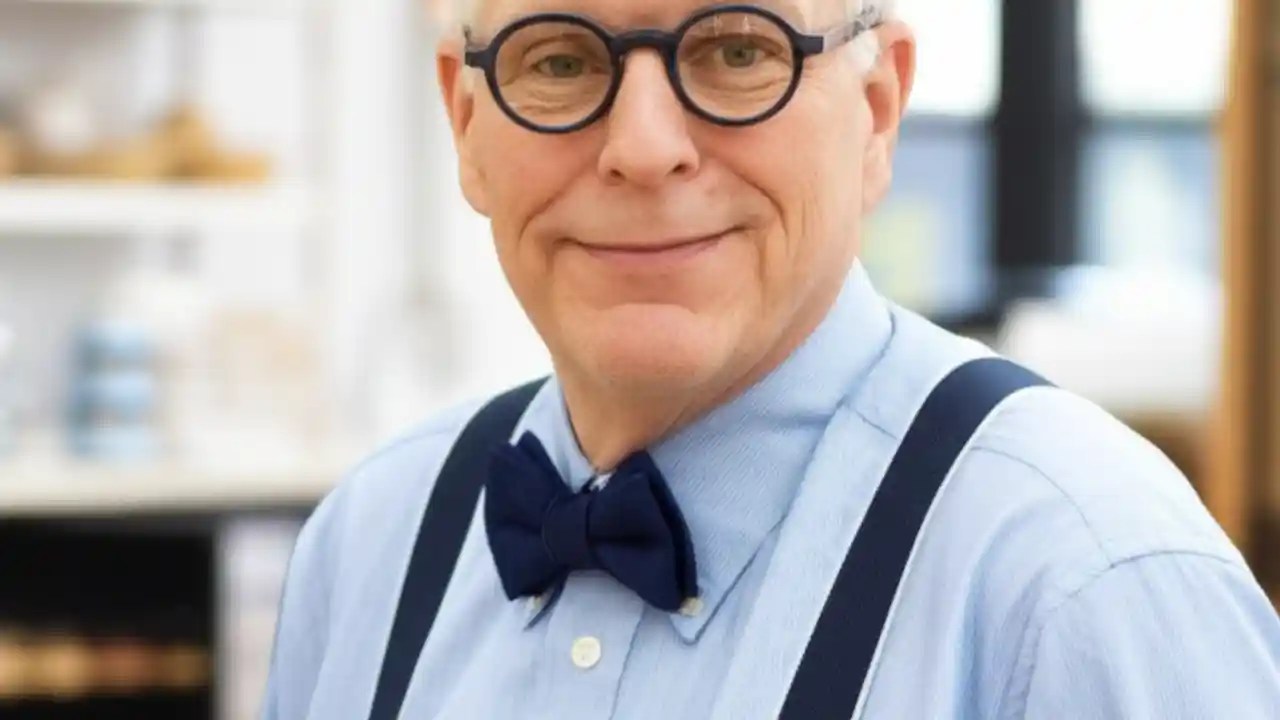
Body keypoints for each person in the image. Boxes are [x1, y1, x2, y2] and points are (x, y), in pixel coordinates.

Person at [262, 0, 1280, 717]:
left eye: (737, 49)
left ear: (876, 109)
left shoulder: (1078, 582)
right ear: (466, 122)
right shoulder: (370, 544)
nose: (643, 145)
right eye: (560, 60)